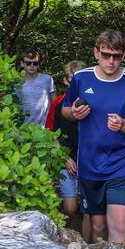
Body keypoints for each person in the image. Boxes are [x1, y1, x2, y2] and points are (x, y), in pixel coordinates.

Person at [61, 30, 125, 244]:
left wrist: (123, 125)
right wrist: (74, 113)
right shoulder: (82, 78)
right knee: (98, 226)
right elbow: (64, 110)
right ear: (96, 53)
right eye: (106, 54)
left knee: (119, 227)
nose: (111, 61)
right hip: (90, 164)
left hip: (122, 163)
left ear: (124, 55)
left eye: (116, 56)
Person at [46, 60, 87, 237]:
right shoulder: (58, 104)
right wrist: (64, 158)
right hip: (66, 158)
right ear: (65, 81)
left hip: (90, 160)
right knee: (70, 208)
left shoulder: (93, 102)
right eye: (72, 80)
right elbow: (50, 134)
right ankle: (65, 236)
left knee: (90, 211)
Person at [14, 51, 54, 127]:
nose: (32, 66)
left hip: (45, 126)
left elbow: (55, 102)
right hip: (24, 126)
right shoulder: (17, 82)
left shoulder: (47, 79)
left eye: (35, 63)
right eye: (28, 63)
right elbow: (15, 105)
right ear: (22, 63)